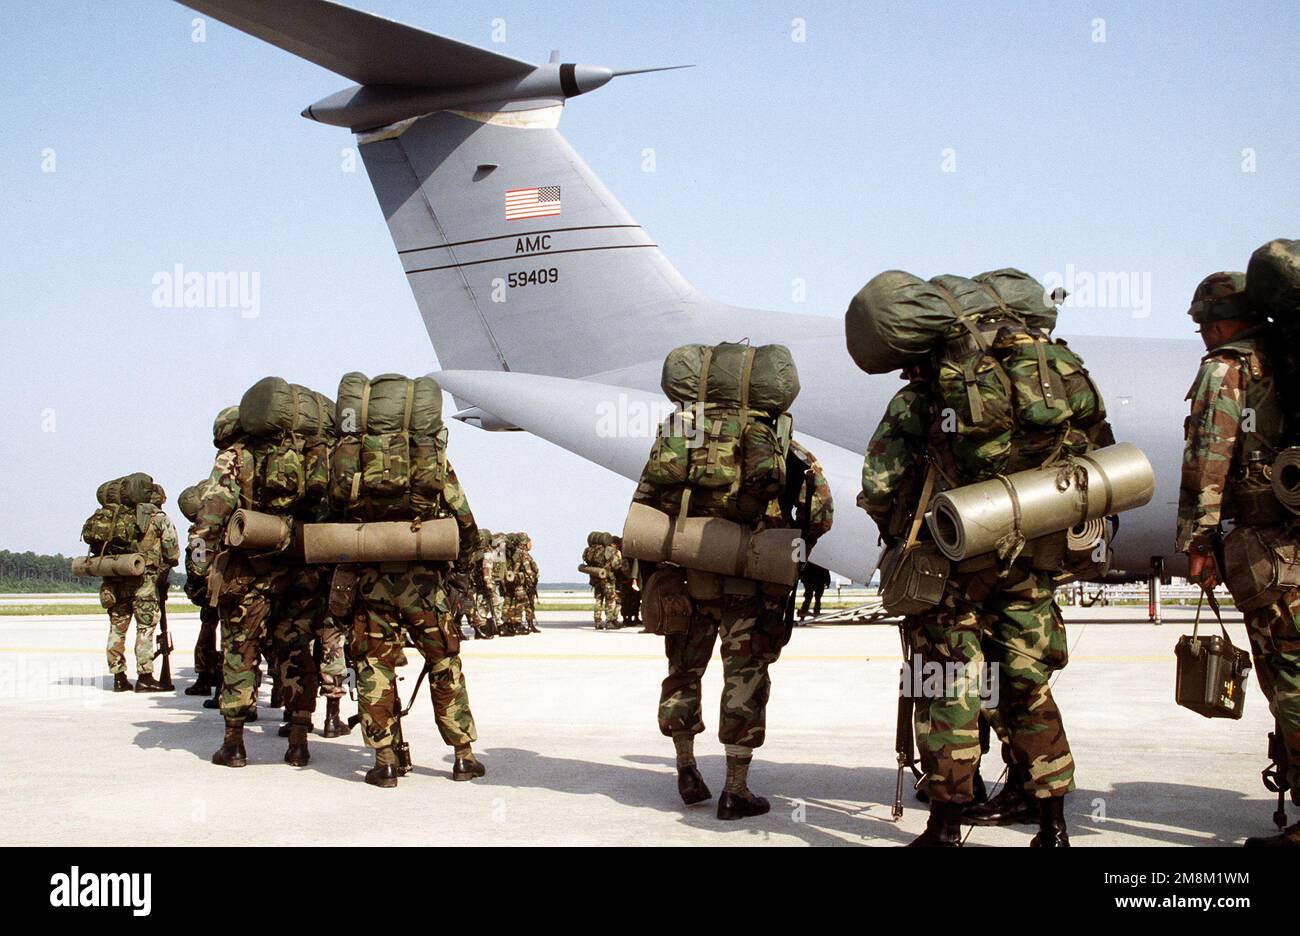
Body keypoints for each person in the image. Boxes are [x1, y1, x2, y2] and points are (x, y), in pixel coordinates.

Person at [859, 288, 1112, 847]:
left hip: (949, 565)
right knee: (1026, 684)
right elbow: (1097, 453)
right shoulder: (1056, 379)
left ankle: (947, 827)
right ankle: (1053, 826)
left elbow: (879, 484)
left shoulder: (922, 396)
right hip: (1030, 557)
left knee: (949, 685)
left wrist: (899, 529)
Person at [631, 342, 832, 819]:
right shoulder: (782, 443)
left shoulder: (677, 437)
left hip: (686, 579)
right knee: (744, 679)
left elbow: (645, 505)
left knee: (684, 672)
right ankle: (734, 789)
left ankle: (685, 768)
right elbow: (820, 513)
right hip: (751, 585)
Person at [1174, 271, 1300, 847]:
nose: (1202, 334)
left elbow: (1209, 457)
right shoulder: (1288, 357)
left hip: (1273, 552)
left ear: (1221, 321)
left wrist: (1199, 543)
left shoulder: (1229, 367)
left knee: (1290, 680)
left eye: (1203, 324)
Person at [103, 482, 179, 693]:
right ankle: (145, 677)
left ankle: (119, 677)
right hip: (145, 583)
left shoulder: (117, 518)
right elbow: (172, 553)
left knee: (117, 628)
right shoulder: (159, 519)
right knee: (145, 628)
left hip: (117, 580)